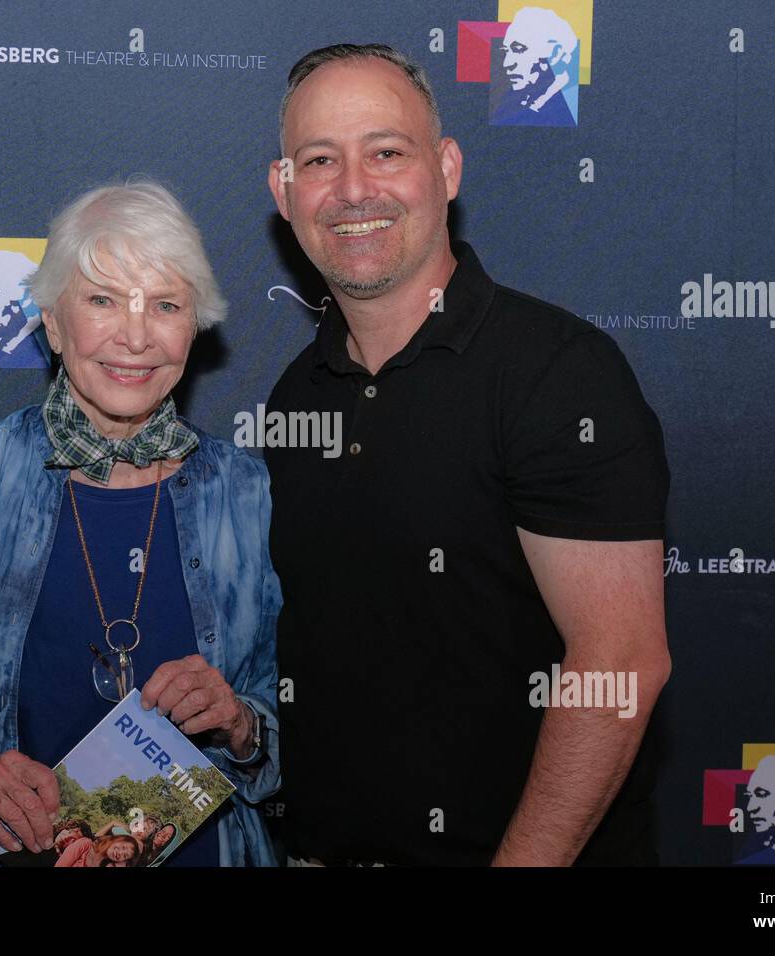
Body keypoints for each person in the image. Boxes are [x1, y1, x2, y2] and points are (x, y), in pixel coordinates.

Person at [264, 44, 671, 866]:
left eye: (386, 152)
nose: (353, 190)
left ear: (446, 169)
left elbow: (619, 665)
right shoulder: (294, 397)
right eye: (320, 161)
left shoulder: (556, 373)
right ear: (284, 192)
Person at [0, 179, 281, 867]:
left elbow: (281, 715)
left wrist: (240, 723)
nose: (135, 336)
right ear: (51, 320)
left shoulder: (246, 492)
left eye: (165, 305)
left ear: (193, 327)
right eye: (103, 299)